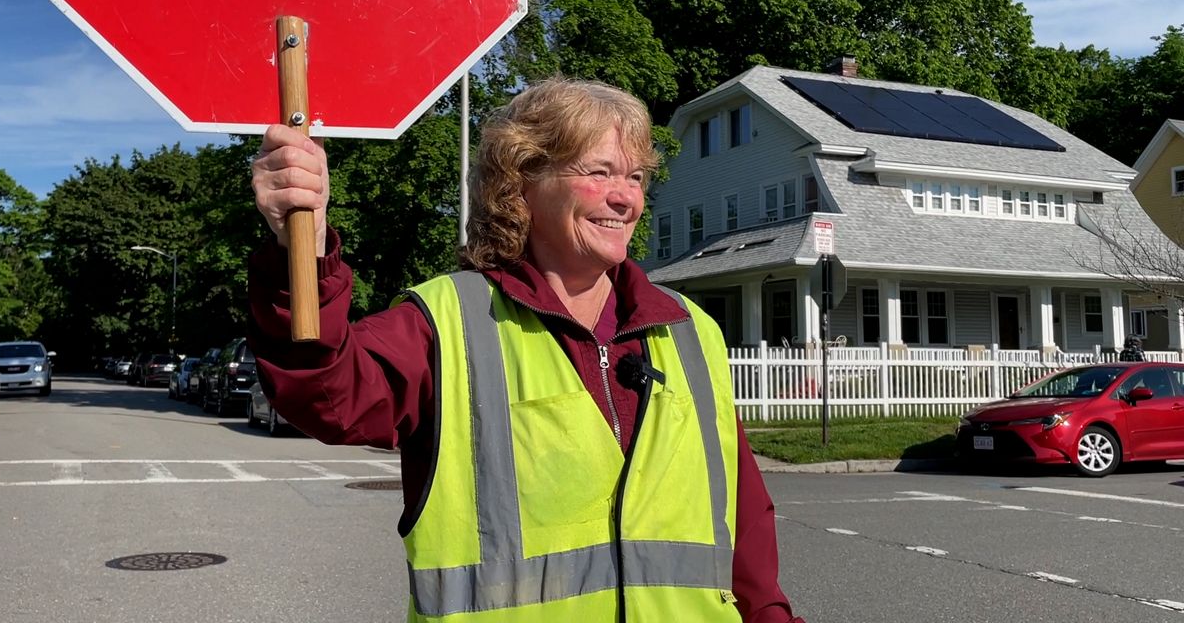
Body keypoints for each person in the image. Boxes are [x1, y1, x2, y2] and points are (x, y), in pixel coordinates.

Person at [248, 78, 803, 622]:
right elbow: (329, 394)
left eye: (635, 176)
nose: (626, 196)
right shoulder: (446, 322)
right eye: (598, 171)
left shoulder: (689, 329)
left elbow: (744, 517)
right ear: (521, 183)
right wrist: (305, 243)